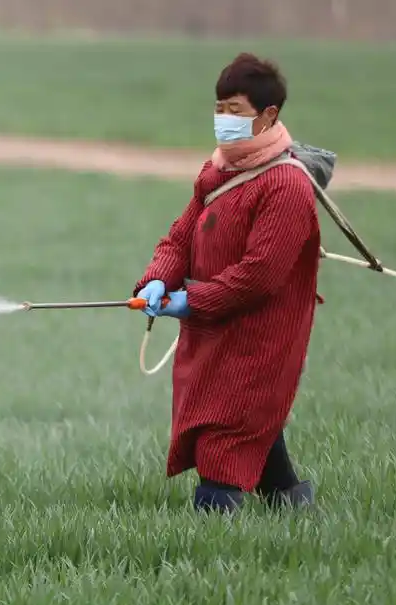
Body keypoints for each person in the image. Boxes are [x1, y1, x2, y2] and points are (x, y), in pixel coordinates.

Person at [132, 52, 322, 513]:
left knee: (226, 428)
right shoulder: (218, 170)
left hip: (259, 336)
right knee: (242, 417)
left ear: (268, 115)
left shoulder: (286, 186)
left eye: (235, 110)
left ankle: (212, 524)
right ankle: (291, 503)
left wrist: (190, 300)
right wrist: (157, 280)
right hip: (213, 327)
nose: (223, 119)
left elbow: (260, 275)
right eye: (219, 108)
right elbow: (180, 237)